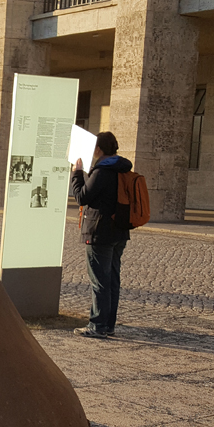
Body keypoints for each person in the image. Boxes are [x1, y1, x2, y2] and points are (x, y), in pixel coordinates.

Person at [70, 131, 133, 338]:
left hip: (100, 232)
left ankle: (97, 325)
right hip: (119, 231)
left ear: (98, 149)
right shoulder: (121, 169)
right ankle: (108, 324)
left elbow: (82, 197)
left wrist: (77, 173)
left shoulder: (102, 171)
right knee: (112, 280)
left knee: (100, 281)